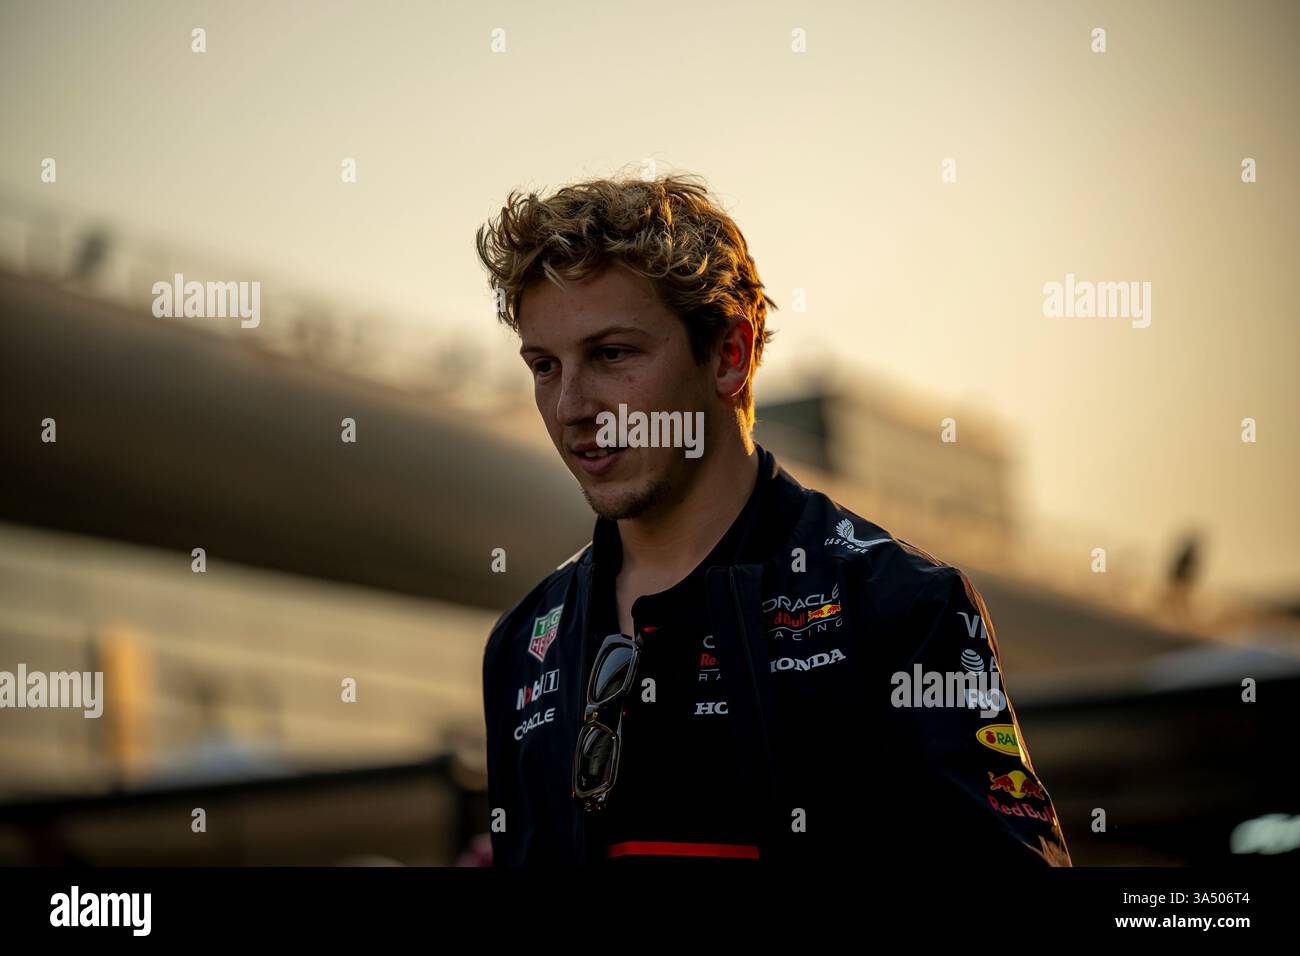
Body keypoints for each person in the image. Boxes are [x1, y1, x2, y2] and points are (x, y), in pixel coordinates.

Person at [474, 173, 1072, 866]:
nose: (571, 405)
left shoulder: (898, 607)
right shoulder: (522, 644)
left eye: (612, 355)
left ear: (730, 354)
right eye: (544, 365)